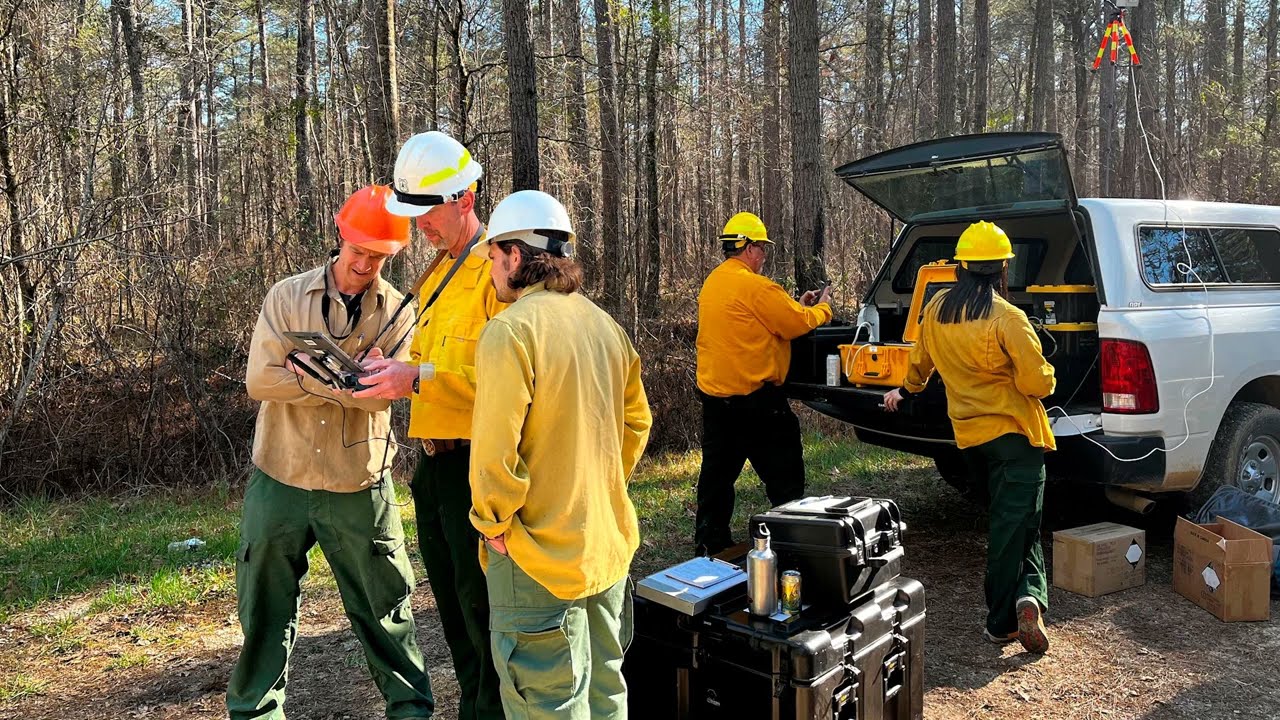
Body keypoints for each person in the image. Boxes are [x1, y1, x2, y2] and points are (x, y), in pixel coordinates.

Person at [231, 185, 434, 720]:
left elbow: (387, 393)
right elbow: (260, 380)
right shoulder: (285, 296)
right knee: (264, 606)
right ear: (339, 234)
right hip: (281, 473)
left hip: (359, 482)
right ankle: (255, 712)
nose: (365, 263)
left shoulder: (401, 313)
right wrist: (342, 385)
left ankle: (410, 711)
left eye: (379, 255)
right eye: (359, 249)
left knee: (386, 610)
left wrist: (313, 376)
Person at [467, 190, 652, 719]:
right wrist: (599, 482)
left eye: (494, 256)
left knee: (545, 705)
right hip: (605, 547)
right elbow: (636, 422)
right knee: (605, 695)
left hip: (535, 556)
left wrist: (494, 524)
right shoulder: (605, 326)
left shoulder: (510, 332)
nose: (490, 269)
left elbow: (494, 452)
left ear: (517, 256)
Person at [357, 131, 507, 720]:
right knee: (454, 616)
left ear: (464, 199)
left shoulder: (501, 269)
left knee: (484, 612)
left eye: (428, 213)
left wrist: (416, 377)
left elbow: (511, 378)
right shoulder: (437, 271)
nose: (419, 227)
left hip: (476, 466)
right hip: (435, 467)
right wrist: (384, 368)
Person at [882, 220, 1055, 655]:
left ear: (959, 268)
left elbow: (919, 369)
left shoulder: (936, 310)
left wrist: (902, 391)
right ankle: (1001, 623)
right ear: (1001, 271)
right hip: (1016, 438)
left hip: (971, 440)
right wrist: (1048, 365)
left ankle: (1029, 597)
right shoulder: (1008, 318)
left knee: (1021, 523)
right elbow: (1038, 385)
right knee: (1011, 527)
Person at [693, 211, 833, 556]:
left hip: (716, 402)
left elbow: (770, 318)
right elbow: (794, 325)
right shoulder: (755, 285)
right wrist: (822, 310)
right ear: (750, 248)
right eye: (763, 248)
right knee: (785, 476)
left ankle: (711, 544)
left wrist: (794, 306)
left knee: (717, 478)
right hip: (757, 403)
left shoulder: (714, 282)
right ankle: (790, 542)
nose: (765, 255)